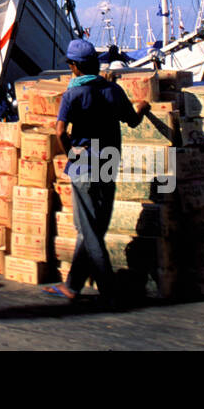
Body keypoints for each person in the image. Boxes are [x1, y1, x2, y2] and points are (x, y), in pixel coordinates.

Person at [42, 38, 151, 307]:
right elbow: (133, 121)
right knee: (94, 226)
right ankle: (72, 286)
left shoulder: (72, 94)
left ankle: (108, 289)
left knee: (89, 229)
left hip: (84, 163)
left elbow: (59, 132)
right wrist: (143, 107)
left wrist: (70, 153)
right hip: (109, 161)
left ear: (75, 67)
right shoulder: (113, 90)